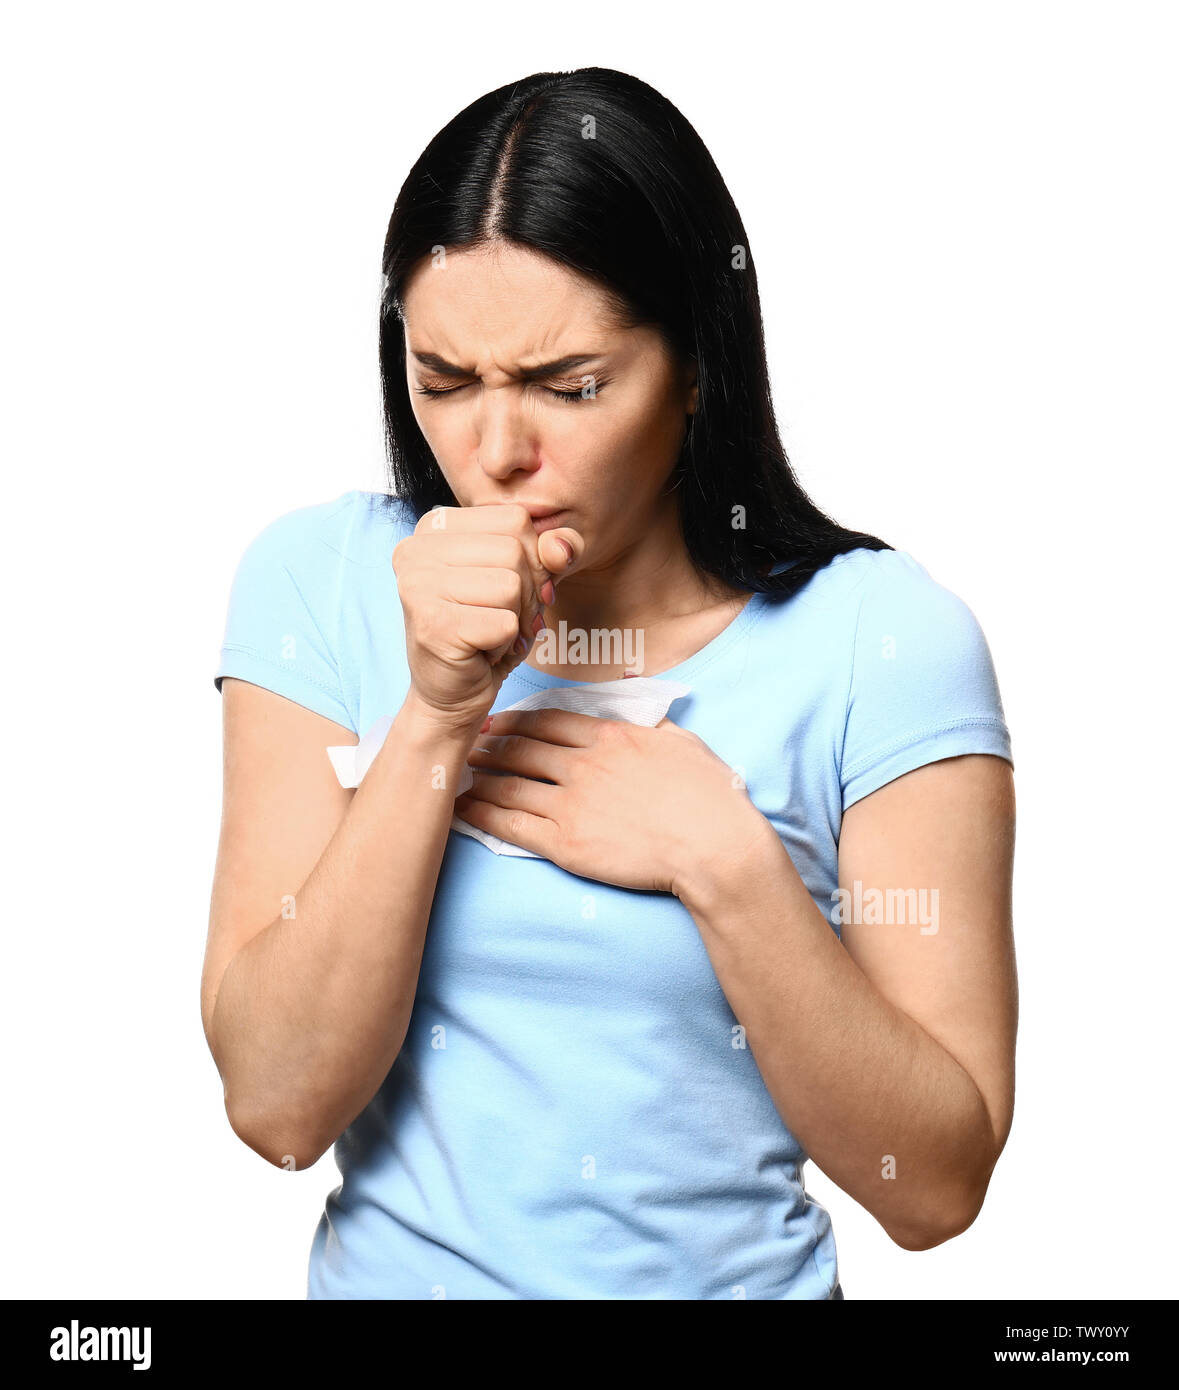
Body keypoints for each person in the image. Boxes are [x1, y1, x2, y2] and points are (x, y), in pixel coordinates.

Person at [204, 67, 1016, 1301]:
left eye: (569, 385)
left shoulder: (881, 641)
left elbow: (936, 1187)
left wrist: (724, 861)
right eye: (445, 381)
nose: (496, 451)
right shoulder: (318, 582)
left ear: (695, 366)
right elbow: (276, 1107)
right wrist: (438, 714)